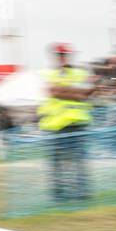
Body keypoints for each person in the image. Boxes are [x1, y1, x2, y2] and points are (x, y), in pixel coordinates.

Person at [38, 43, 94, 203]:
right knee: (56, 163)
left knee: (79, 161)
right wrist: (73, 91)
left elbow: (87, 93)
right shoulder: (46, 73)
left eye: (65, 55)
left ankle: (81, 193)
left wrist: (63, 91)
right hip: (55, 125)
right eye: (59, 55)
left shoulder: (80, 73)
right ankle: (59, 194)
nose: (63, 58)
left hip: (77, 123)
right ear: (54, 57)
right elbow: (53, 91)